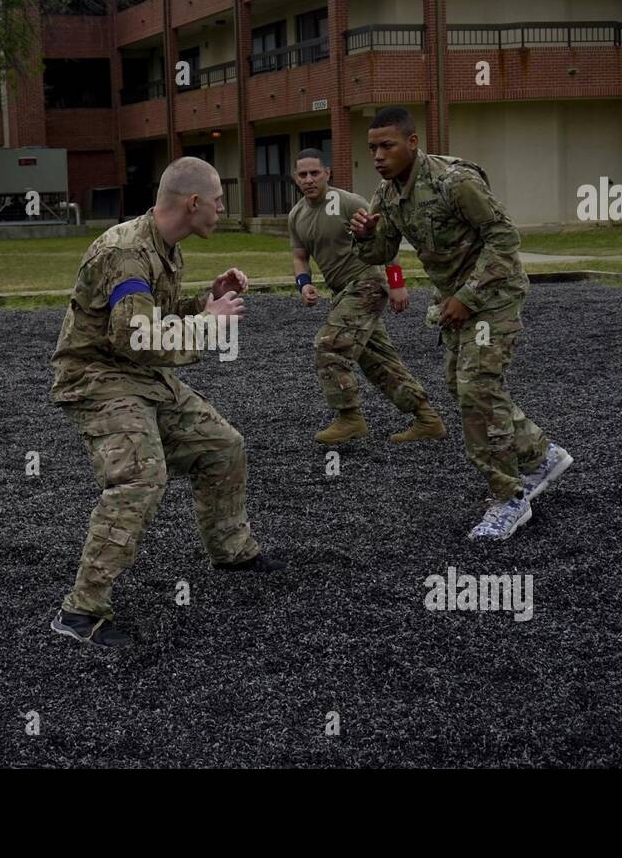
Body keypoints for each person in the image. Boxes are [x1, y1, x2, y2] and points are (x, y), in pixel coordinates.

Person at [49, 156, 285, 648]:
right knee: (141, 476)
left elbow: (155, 313)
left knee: (223, 445)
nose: (223, 210)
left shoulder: (164, 246)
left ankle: (232, 550)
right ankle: (80, 612)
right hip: (100, 377)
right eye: (218, 202)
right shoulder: (127, 251)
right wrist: (209, 323)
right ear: (193, 203)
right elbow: (133, 335)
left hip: (141, 374)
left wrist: (204, 300)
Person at [349, 107, 573, 541]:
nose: (378, 155)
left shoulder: (455, 181)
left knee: (476, 388)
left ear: (412, 143)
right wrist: (362, 237)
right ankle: (541, 455)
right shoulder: (388, 195)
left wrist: (468, 298)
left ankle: (509, 498)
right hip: (454, 299)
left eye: (387, 145)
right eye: (372, 147)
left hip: (494, 294)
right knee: (461, 385)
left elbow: (505, 238)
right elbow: (380, 253)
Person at [287, 148, 445, 446]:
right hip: (341, 292)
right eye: (303, 174)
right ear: (295, 178)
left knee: (329, 347)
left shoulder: (349, 203)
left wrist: (397, 283)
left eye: (315, 173)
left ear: (327, 173)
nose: (309, 179)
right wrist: (303, 284)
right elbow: (299, 256)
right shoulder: (297, 215)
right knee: (378, 361)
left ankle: (350, 418)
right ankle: (428, 419)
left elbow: (386, 243)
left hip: (367, 284)